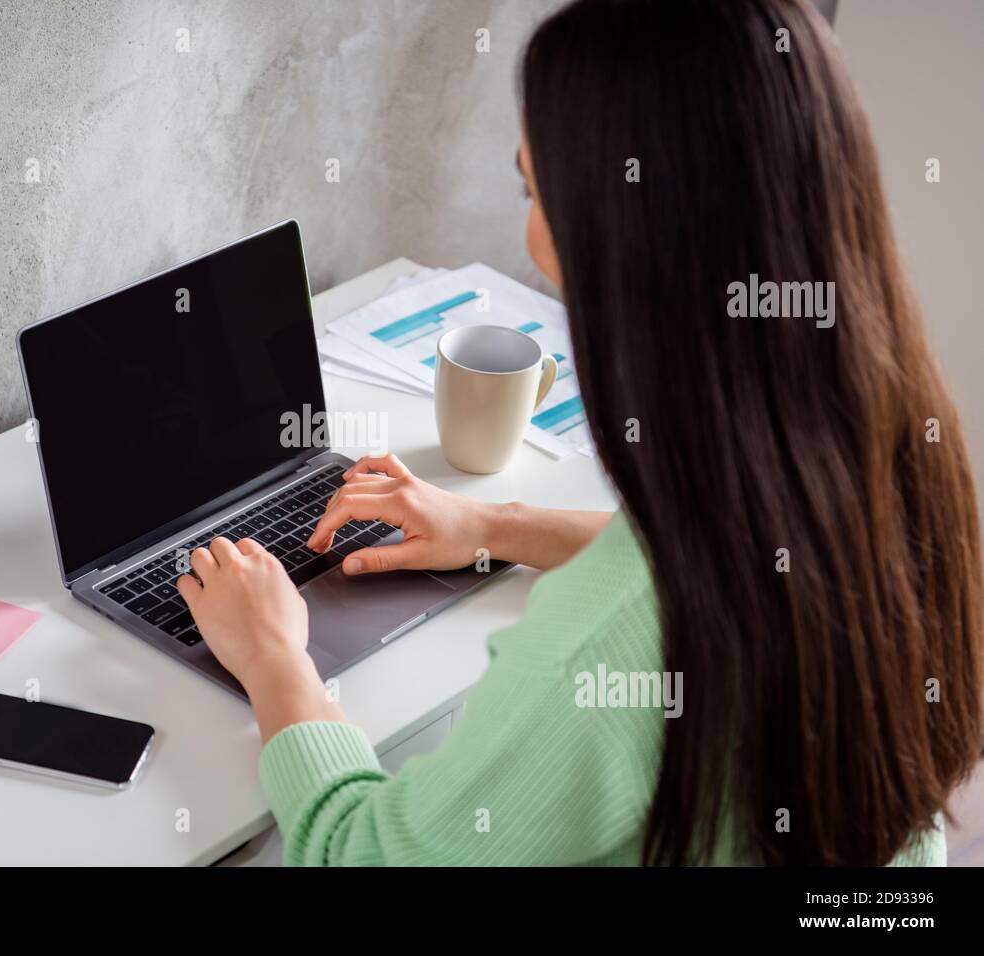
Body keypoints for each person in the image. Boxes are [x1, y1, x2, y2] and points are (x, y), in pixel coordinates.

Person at [175, 0, 983, 865]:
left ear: (626, 236)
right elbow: (727, 570)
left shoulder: (607, 648)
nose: (531, 230)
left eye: (535, 188)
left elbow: (356, 854)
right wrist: (494, 527)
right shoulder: (893, 471)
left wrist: (272, 659)